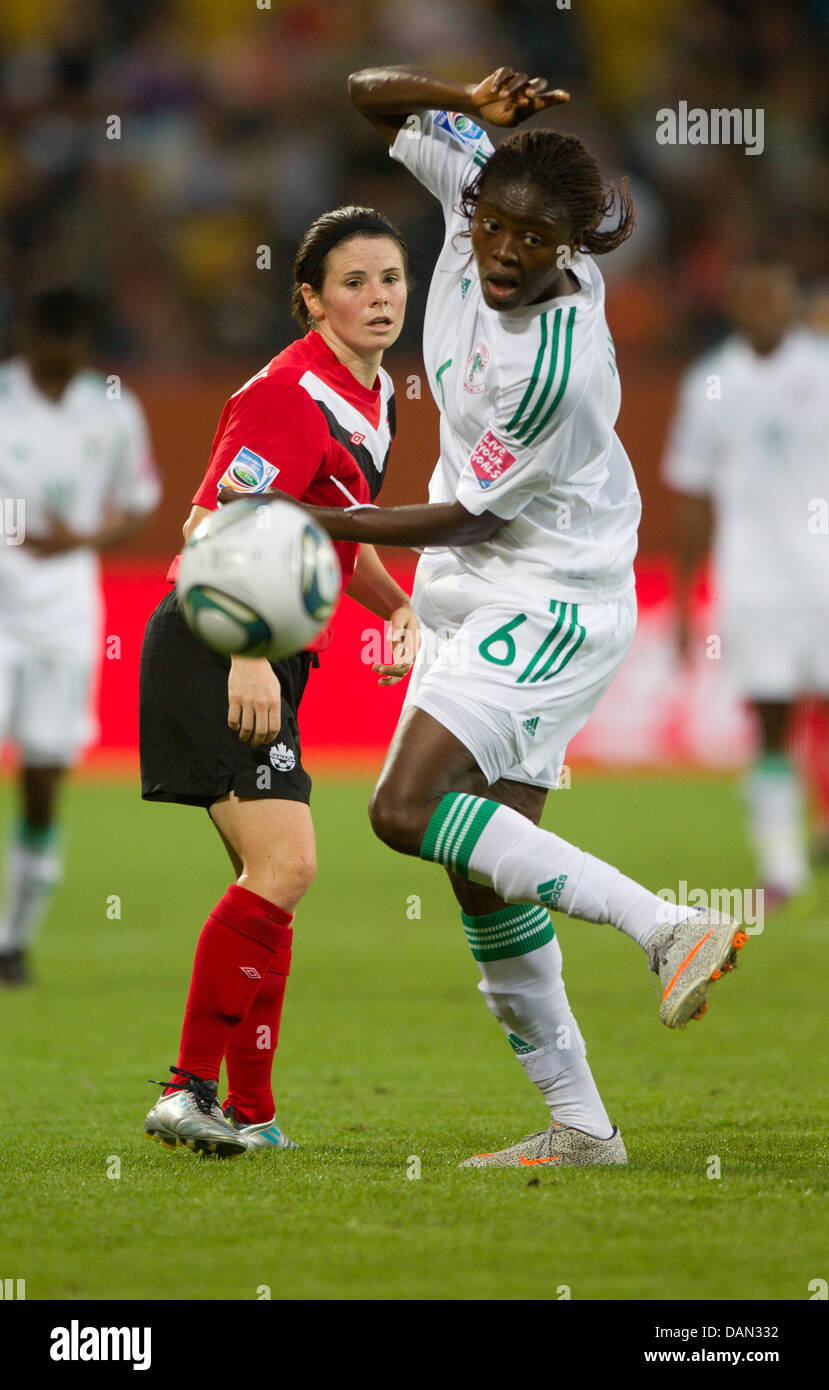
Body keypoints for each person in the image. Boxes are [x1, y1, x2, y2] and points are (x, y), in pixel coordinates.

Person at [279, 65, 750, 1170]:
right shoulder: (469, 185)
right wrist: (465, 100)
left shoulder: (559, 365)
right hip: (491, 588)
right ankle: (583, 1128)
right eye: (491, 224)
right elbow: (362, 91)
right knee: (482, 866)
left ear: (572, 246)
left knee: (402, 810)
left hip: (550, 593)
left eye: (532, 242)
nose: (500, 251)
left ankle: (666, 926)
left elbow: (468, 518)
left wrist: (314, 518)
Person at [139, 206, 421, 1157]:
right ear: (310, 297)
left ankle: (250, 1115)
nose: (377, 298)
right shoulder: (288, 392)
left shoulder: (371, 394)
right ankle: (186, 1092)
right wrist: (252, 650)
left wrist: (394, 606)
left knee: (273, 881)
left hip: (263, 649)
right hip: (218, 644)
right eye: (353, 283)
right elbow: (211, 528)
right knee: (289, 866)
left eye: (390, 279)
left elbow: (331, 525)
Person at [0, 287, 161, 986]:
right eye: (49, 342)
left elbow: (138, 501)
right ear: (31, 338)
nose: (60, 357)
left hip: (67, 610)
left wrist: (84, 536)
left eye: (72, 345)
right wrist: (16, 528)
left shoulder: (113, 409)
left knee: (43, 775)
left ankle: (14, 942)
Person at [663, 255, 829, 908]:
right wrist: (681, 597)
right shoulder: (710, 383)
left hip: (823, 569)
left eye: (773, 297)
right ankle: (781, 862)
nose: (763, 309)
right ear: (733, 306)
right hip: (753, 577)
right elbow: (691, 496)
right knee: (769, 719)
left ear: (790, 303)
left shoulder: (821, 368)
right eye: (751, 299)